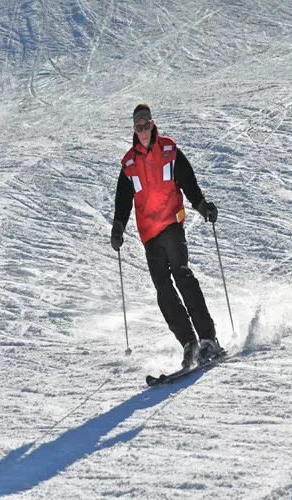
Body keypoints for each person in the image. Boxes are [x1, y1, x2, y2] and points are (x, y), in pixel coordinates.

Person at [111, 103, 221, 367]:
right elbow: (123, 201)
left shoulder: (169, 150)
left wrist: (202, 205)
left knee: (182, 276)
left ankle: (209, 340)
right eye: (138, 126)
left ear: (152, 124)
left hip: (172, 224)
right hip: (150, 236)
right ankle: (189, 343)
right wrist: (118, 227)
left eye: (146, 124)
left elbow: (188, 181)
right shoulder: (129, 163)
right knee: (164, 291)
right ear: (134, 129)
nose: (143, 130)